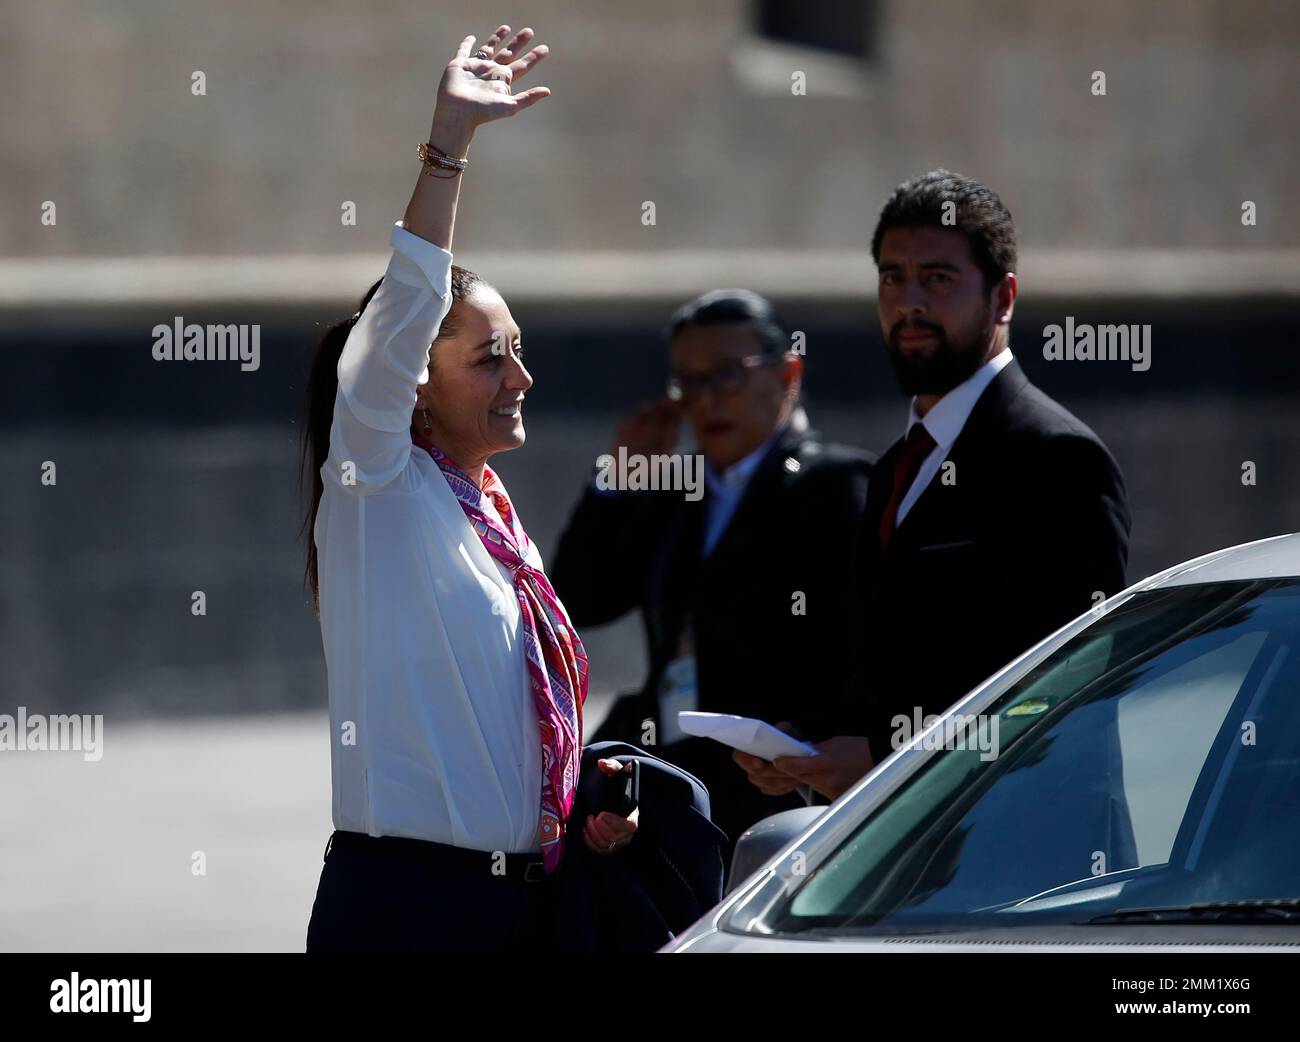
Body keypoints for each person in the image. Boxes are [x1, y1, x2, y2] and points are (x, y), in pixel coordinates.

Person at [298, 24, 637, 954]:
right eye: (491, 360)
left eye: (519, 352)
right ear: (412, 386)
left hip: (520, 904)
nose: (521, 378)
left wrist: (577, 795)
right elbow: (404, 313)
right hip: (411, 911)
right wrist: (449, 146)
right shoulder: (377, 483)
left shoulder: (487, 512)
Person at [737, 169, 1132, 802]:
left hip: (1029, 858)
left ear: (1003, 299)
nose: (909, 302)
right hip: (908, 858)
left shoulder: (1057, 459)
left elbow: (1072, 683)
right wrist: (806, 745)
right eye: (893, 277)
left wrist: (882, 756)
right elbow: (896, 669)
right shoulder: (898, 463)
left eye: (938, 278)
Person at [551, 289, 874, 860]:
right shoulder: (676, 488)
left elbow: (855, 648)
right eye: (688, 383)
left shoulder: (836, 484)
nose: (707, 400)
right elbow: (581, 597)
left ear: (787, 373)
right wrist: (619, 475)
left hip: (772, 787)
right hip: (670, 779)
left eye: (727, 375)